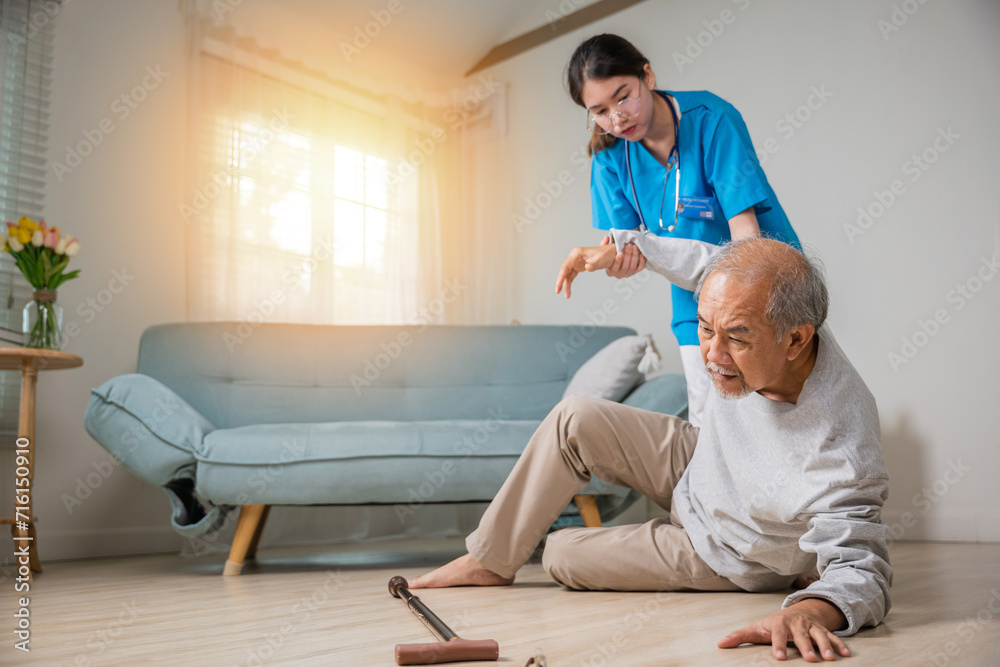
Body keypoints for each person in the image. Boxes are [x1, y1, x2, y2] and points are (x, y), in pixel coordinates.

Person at [411, 237, 892, 662]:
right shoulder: (747, 295)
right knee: (576, 415)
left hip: (731, 550)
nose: (713, 355)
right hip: (702, 462)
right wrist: (620, 247)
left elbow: (862, 569)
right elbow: (697, 258)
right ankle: (489, 561)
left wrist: (813, 608)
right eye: (706, 329)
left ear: (796, 339)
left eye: (737, 339)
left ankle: (784, 573)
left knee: (558, 553)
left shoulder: (840, 444)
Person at [555, 34, 800, 427]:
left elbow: (746, 235)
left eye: (623, 97)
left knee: (776, 420)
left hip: (766, 284)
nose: (617, 118)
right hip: (694, 299)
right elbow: (632, 247)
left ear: (647, 75)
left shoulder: (710, 119)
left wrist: (742, 322)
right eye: (599, 110)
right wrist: (616, 257)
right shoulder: (609, 157)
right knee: (710, 426)